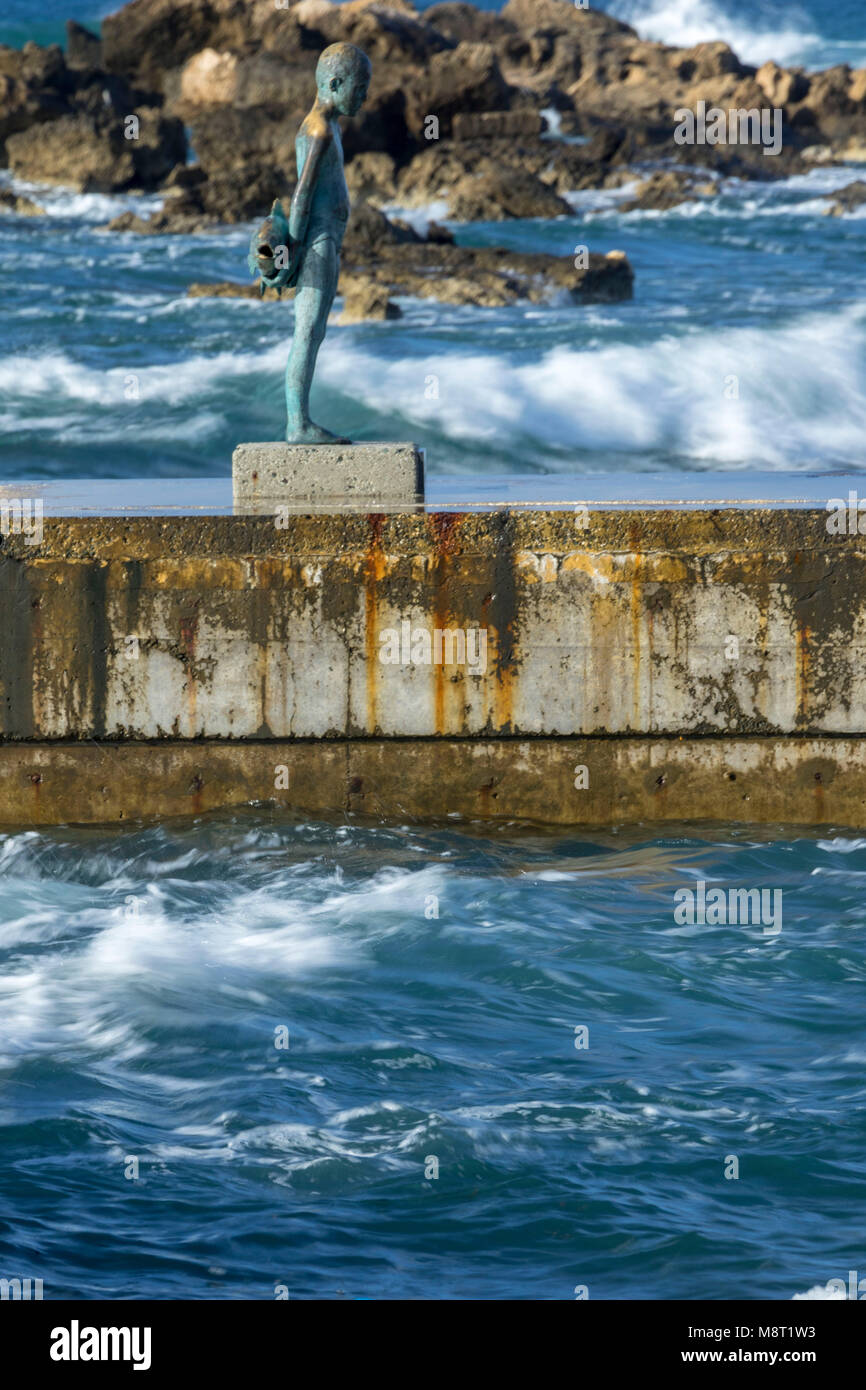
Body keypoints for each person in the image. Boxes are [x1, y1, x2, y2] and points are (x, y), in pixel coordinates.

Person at [249, 42, 372, 444]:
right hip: (316, 240)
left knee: (312, 331)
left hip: (325, 239)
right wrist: (293, 252)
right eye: (360, 87)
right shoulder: (318, 129)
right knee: (307, 330)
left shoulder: (327, 123)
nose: (365, 96)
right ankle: (297, 425)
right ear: (335, 84)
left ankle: (299, 421)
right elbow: (301, 195)